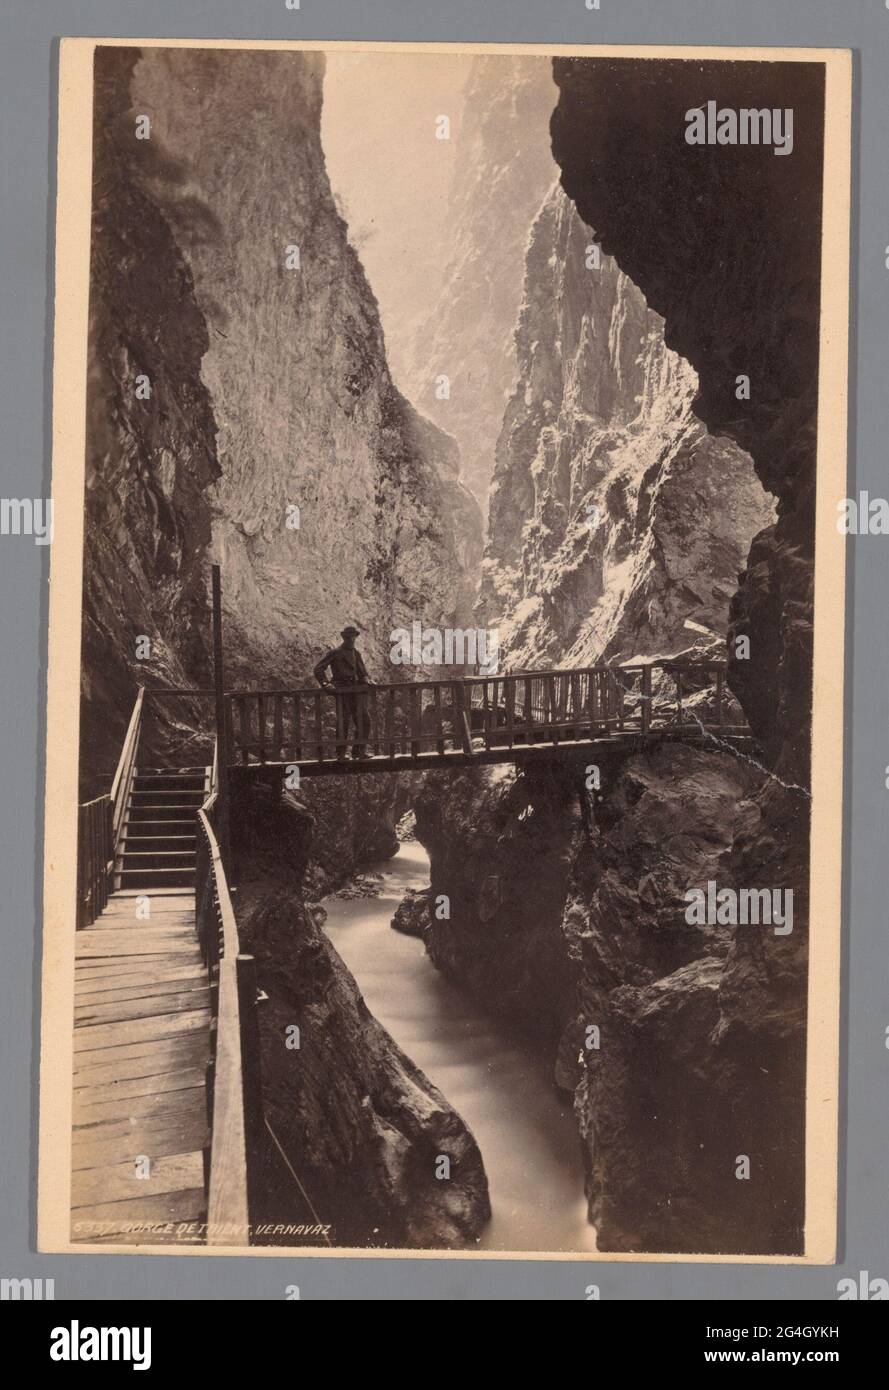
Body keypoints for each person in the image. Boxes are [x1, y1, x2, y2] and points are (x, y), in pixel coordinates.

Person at [313, 626, 373, 759]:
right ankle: (340, 754)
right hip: (342, 693)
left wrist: (367, 680)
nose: (351, 639)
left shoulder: (356, 653)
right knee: (343, 723)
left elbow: (362, 673)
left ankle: (359, 751)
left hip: (356, 692)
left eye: (353, 636)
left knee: (364, 721)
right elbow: (318, 669)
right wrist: (326, 684)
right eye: (349, 637)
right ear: (344, 638)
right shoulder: (335, 653)